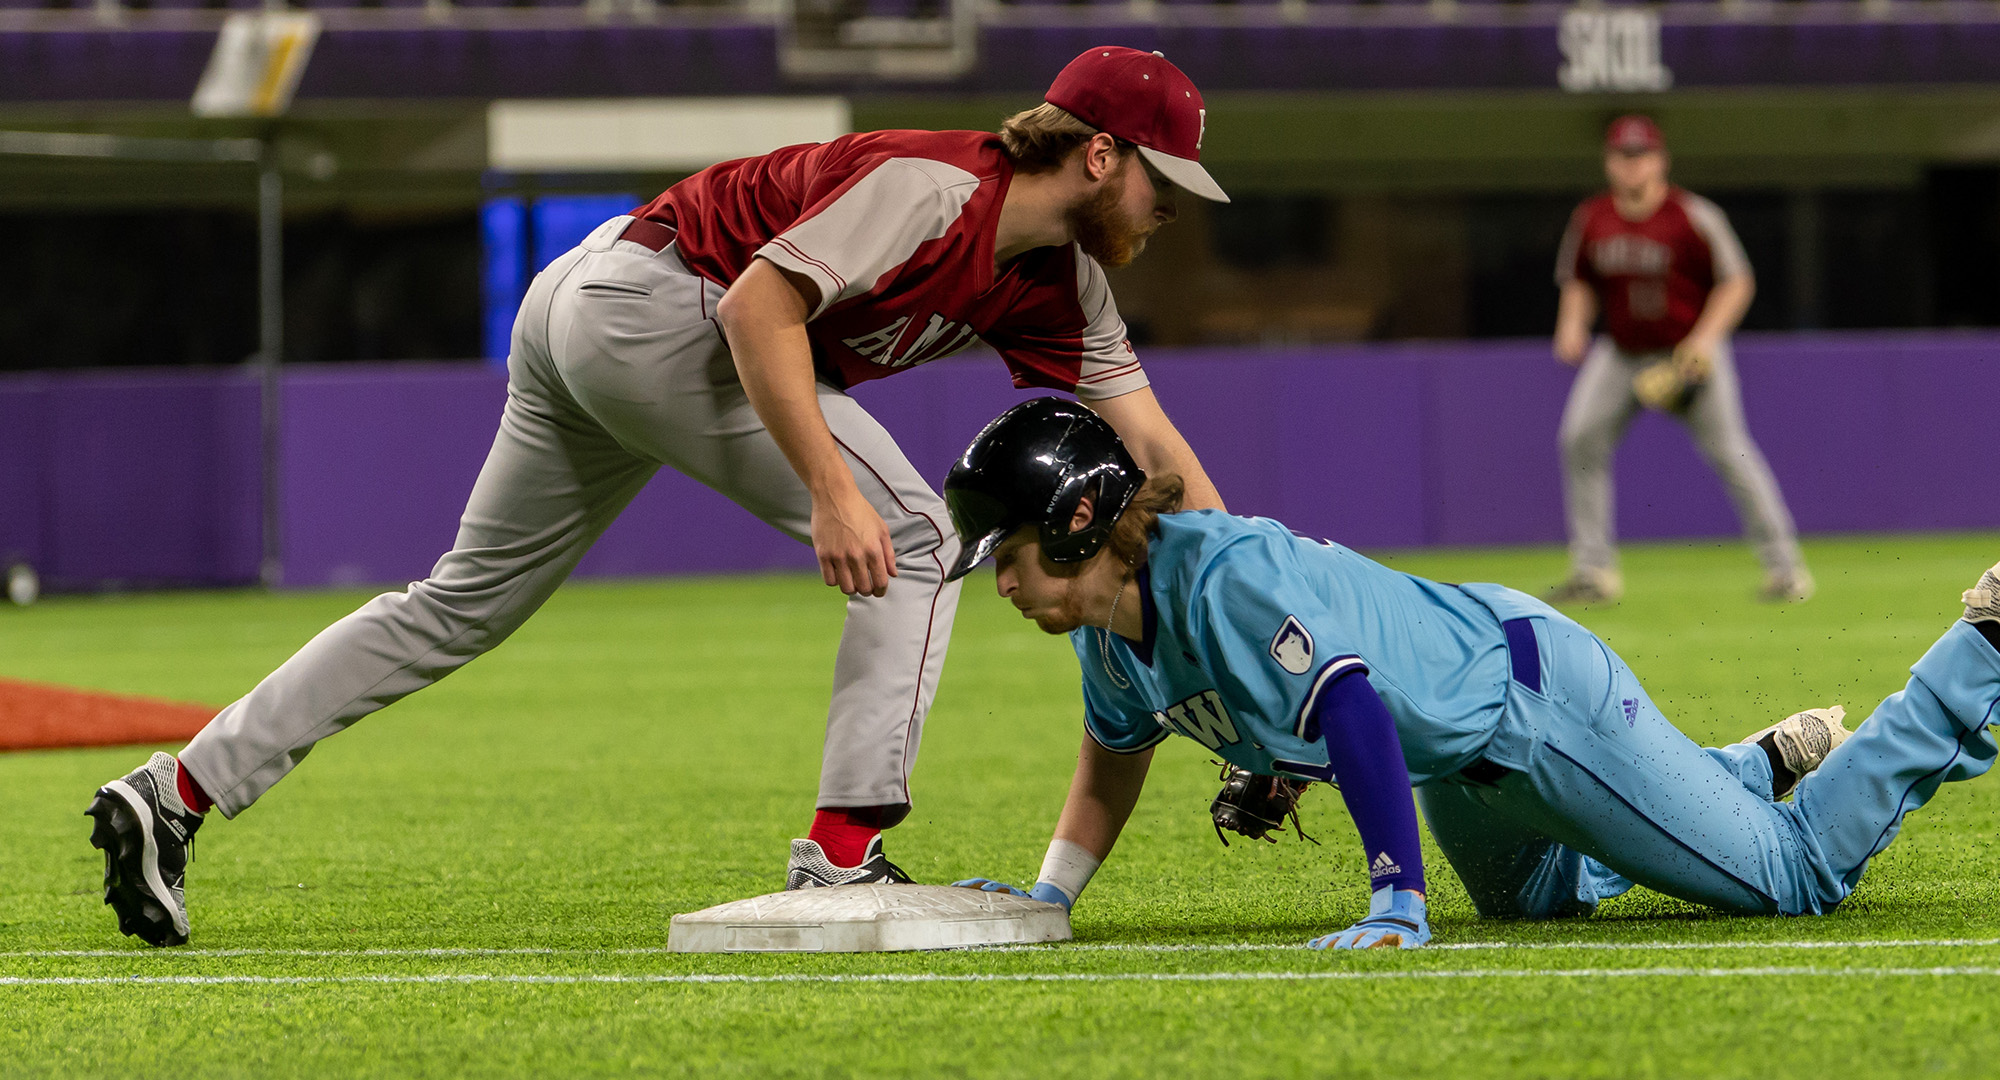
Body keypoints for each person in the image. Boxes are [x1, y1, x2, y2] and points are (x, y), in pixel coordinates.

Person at [84, 46, 1230, 948]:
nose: (1171, 207)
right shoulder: (933, 187)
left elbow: (1151, 443)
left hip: (598, 302)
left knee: (457, 604)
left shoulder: (1063, 282)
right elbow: (754, 308)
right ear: (1097, 156)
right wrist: (831, 492)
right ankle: (839, 855)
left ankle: (176, 789)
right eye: (1162, 178)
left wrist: (1244, 589)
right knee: (917, 535)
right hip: (660, 303)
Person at [945, 398, 1999, 948]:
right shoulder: (1103, 633)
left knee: (1792, 879)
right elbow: (1111, 756)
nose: (1002, 581)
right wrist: (1050, 897)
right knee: (1532, 901)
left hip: (1534, 705)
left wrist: (1395, 897)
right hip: (1459, 754)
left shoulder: (1223, 575)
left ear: (1079, 520)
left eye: (1010, 552)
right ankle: (1743, 770)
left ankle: (1979, 649)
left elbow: (1352, 706)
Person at [1548, 114, 1809, 605]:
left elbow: (1737, 281)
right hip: (1622, 351)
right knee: (1579, 440)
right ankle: (1592, 572)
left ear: (1661, 160)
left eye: (1641, 154)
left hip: (1686, 353)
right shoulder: (1593, 217)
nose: (1632, 165)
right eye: (1623, 155)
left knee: (1731, 453)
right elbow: (1579, 278)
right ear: (1608, 162)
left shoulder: (1693, 215)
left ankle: (1786, 570)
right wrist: (1572, 322)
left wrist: (1705, 340)